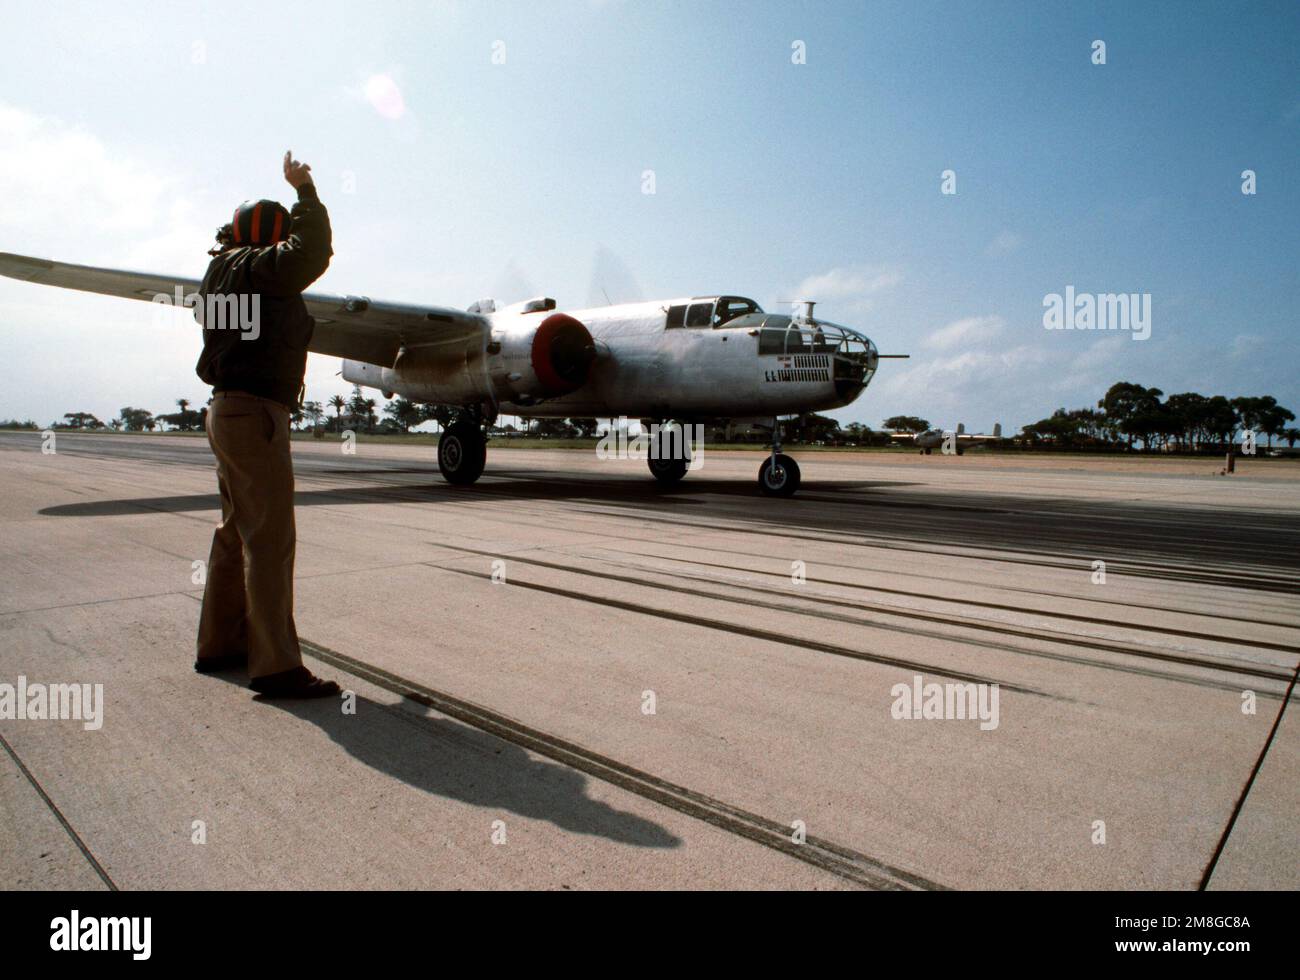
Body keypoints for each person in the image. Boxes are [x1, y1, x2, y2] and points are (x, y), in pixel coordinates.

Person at [192, 151, 339, 699]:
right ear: (270, 238)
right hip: (255, 413)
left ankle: (221, 644)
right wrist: (306, 192)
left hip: (225, 411)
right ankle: (275, 666)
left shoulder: (217, 273)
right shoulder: (260, 268)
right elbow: (310, 255)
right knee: (270, 537)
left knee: (235, 532)